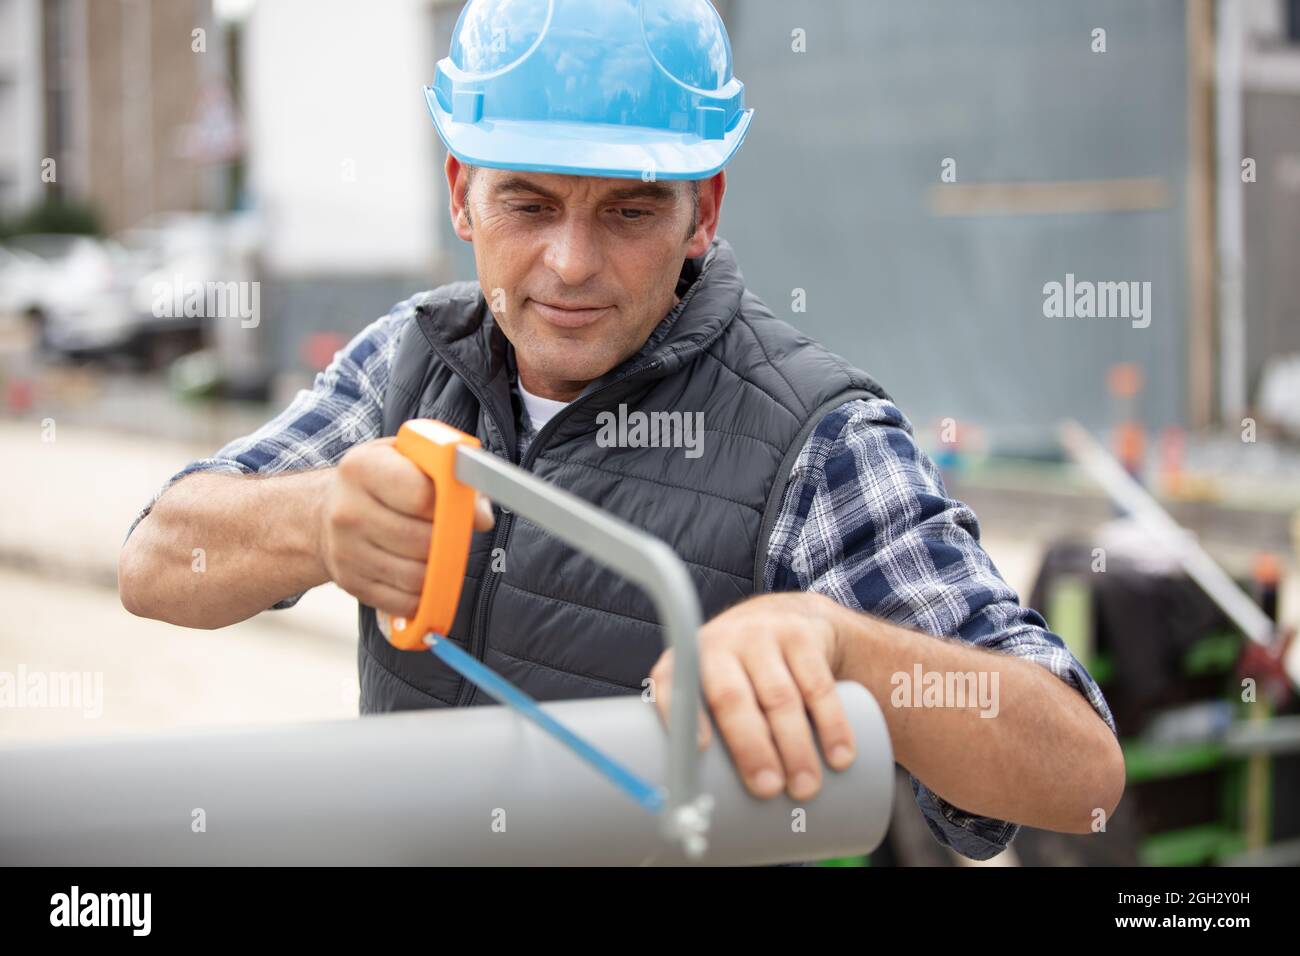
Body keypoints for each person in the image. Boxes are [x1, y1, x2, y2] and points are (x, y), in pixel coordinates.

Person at [119, 0, 1122, 861]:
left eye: (629, 212)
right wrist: (315, 521)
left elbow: (1077, 770)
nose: (568, 263)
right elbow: (156, 561)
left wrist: (840, 646)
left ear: (703, 212)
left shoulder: (816, 440)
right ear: (460, 190)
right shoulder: (407, 360)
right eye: (529, 202)